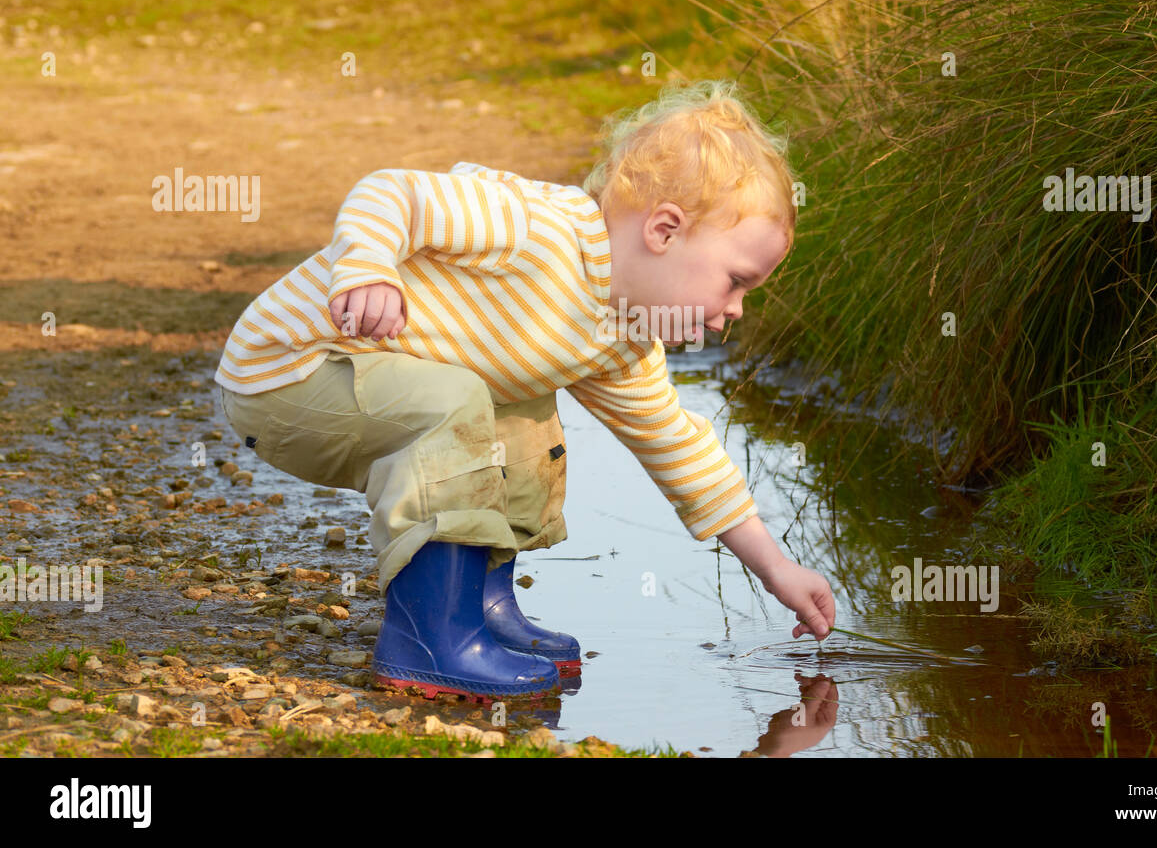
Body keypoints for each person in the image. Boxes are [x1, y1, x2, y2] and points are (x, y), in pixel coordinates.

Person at [215, 78, 836, 703]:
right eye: (735, 281)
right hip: (288, 373)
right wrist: (369, 270)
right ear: (665, 230)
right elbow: (392, 192)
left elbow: (681, 449)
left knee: (523, 410)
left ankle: (480, 606)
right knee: (458, 403)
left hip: (368, 386)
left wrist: (777, 568)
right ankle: (429, 637)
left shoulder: (624, 341)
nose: (735, 310)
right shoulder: (538, 230)